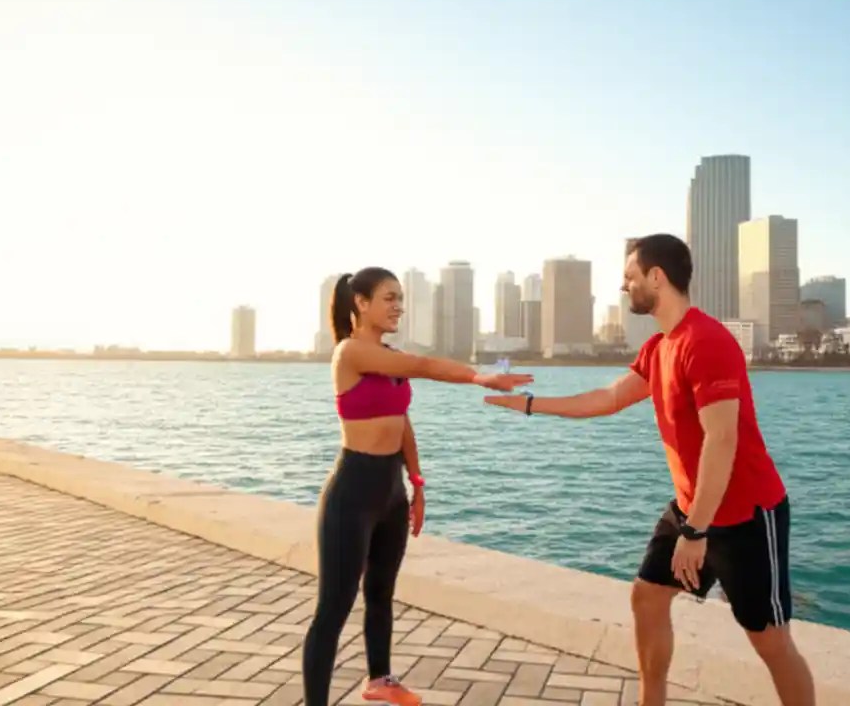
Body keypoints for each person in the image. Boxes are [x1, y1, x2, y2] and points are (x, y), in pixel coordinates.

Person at [483, 235, 815, 706]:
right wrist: (531, 405)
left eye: (629, 278)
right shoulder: (661, 347)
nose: (624, 287)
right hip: (691, 510)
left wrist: (696, 531)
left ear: (656, 277)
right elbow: (609, 398)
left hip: (743, 515)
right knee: (647, 597)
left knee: (771, 643)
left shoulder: (707, 341)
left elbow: (722, 441)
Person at [303, 267, 533, 706]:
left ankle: (380, 679)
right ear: (361, 303)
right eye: (389, 298)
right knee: (333, 609)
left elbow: (402, 422)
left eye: (400, 298)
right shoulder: (349, 353)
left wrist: (417, 482)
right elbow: (423, 365)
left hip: (389, 490)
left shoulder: (387, 357)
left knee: (381, 593)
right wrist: (481, 376)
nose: (398, 307)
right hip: (351, 493)